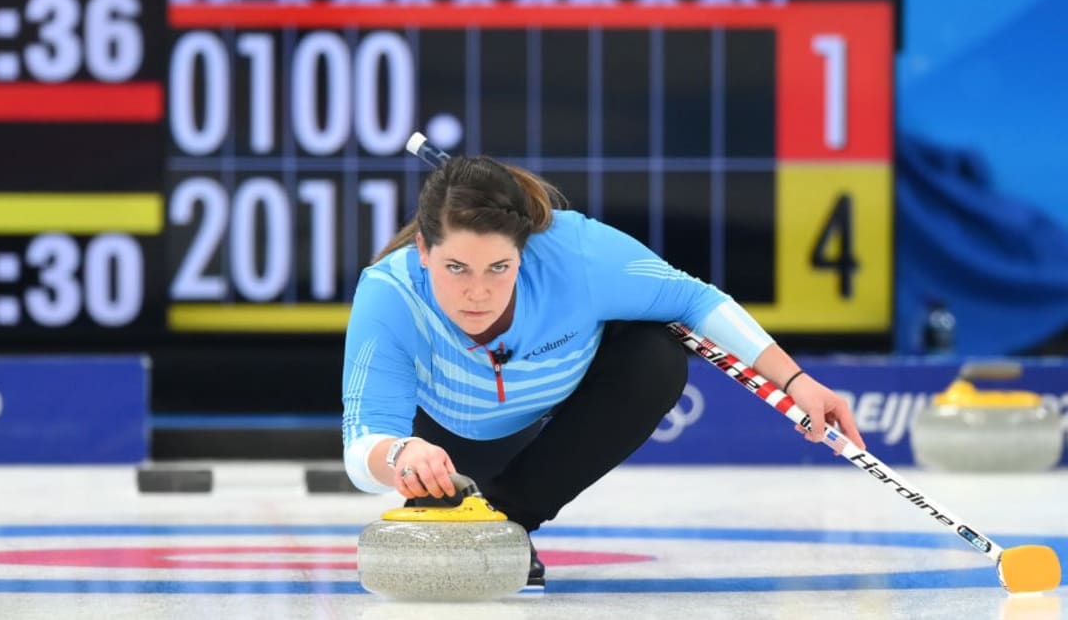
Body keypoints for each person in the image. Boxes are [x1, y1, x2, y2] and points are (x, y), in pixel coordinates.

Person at [341, 155, 866, 587]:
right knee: (429, 486)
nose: (477, 292)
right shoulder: (389, 294)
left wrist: (796, 382)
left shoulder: (577, 253)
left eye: (498, 268)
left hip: (549, 423)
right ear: (424, 252)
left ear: (523, 253)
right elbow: (363, 447)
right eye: (456, 268)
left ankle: (509, 518)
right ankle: (451, 499)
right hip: (449, 446)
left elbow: (698, 301)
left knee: (656, 354)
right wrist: (401, 455)